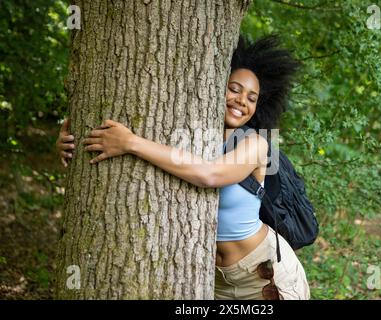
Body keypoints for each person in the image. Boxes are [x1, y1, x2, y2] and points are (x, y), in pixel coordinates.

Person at [56, 35, 310, 300]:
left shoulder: (256, 144)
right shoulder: (192, 137)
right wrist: (71, 143)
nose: (241, 101)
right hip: (216, 282)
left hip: (266, 276)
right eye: (234, 89)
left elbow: (210, 175)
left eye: (252, 97)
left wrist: (131, 142)